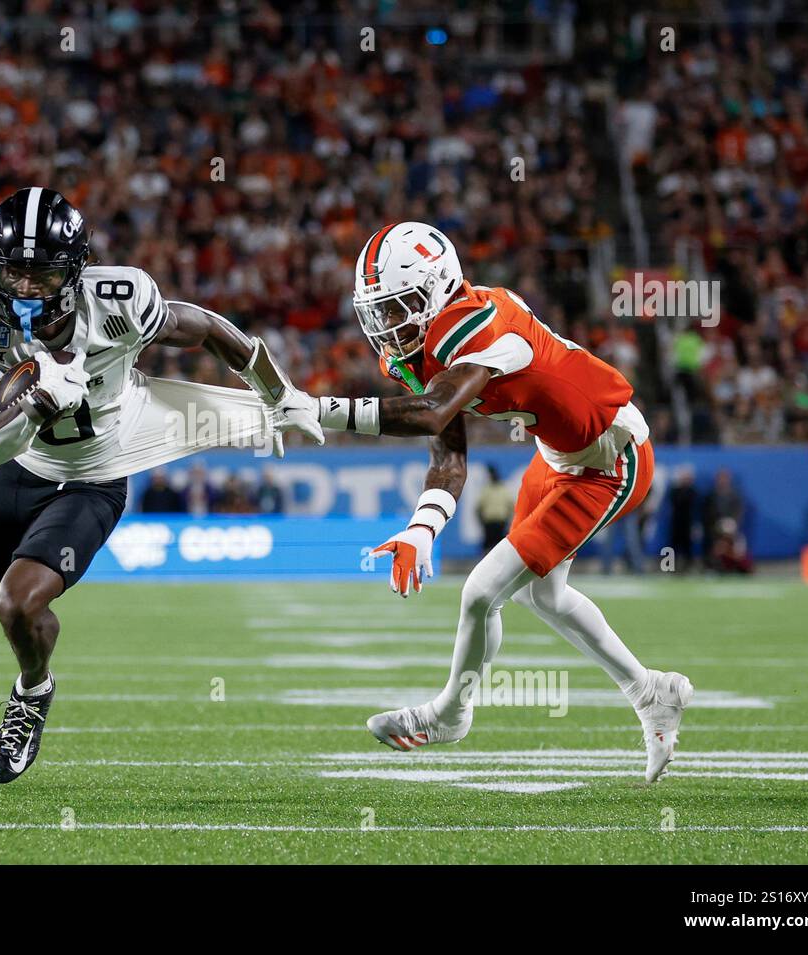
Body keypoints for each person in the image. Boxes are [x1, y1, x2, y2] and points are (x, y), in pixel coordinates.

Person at [0, 188, 320, 802]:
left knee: (18, 605)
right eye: (15, 270)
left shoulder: (122, 302)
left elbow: (212, 331)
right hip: (15, 471)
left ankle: (33, 691)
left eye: (45, 271)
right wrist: (32, 410)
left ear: (77, 269)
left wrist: (277, 394)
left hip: (92, 476)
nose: (29, 287)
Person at [282, 221, 692, 783]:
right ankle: (651, 694)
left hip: (611, 457)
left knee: (481, 591)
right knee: (545, 598)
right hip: (557, 456)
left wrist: (319, 409)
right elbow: (447, 453)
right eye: (378, 311)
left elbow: (431, 411)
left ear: (438, 286)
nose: (388, 325)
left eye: (399, 306)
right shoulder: (423, 349)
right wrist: (421, 529)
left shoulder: (484, 325)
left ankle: (451, 712)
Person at [475, 464, 513, 553]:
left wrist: (507, 520)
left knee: (499, 548)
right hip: (489, 523)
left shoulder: (502, 489)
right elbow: (478, 508)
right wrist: (482, 521)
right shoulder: (487, 489)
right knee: (488, 547)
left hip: (500, 523)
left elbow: (511, 506)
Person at [667, 465, 699, 572]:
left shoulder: (693, 491)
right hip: (676, 522)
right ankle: (670, 568)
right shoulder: (675, 490)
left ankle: (688, 568)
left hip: (688, 523)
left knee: (688, 547)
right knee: (673, 546)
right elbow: (675, 502)